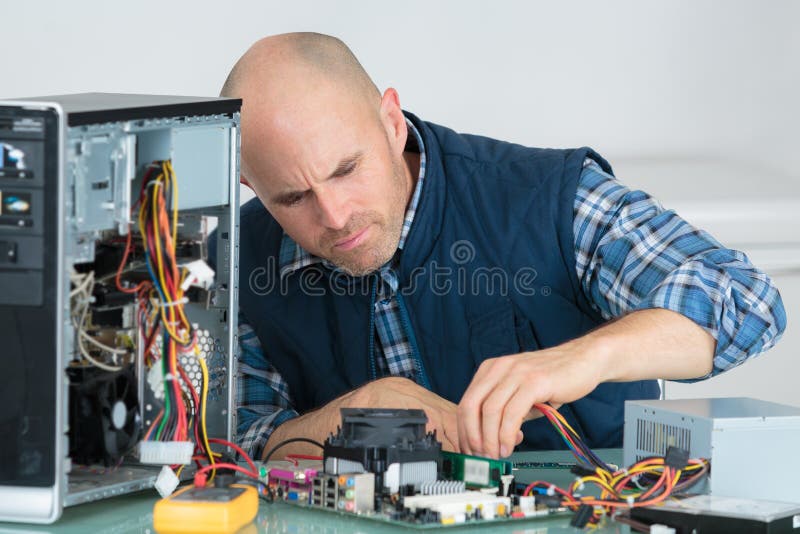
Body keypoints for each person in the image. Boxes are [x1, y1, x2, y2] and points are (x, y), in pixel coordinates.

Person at [218, 32, 785, 461]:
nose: (336, 216)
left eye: (346, 169)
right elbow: (235, 448)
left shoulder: (547, 198)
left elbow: (743, 301)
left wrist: (579, 360)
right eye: (293, 198)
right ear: (250, 186)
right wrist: (344, 418)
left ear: (391, 122)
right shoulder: (236, 261)